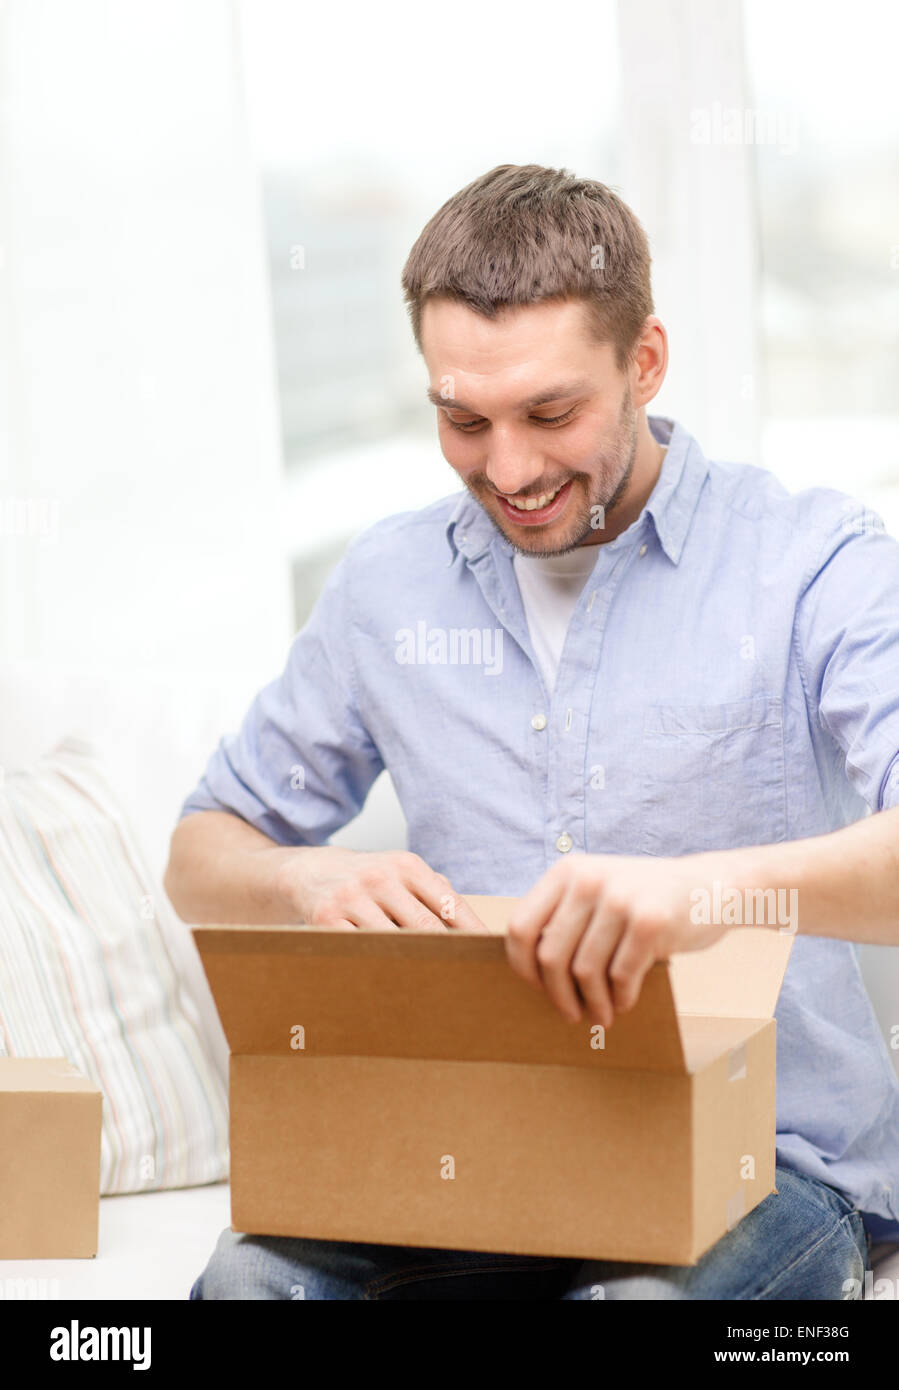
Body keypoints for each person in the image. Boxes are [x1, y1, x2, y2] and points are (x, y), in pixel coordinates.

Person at [165, 164, 899, 1300]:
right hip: (480, 1149)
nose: (506, 471)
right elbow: (201, 853)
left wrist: (696, 894)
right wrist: (307, 884)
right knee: (244, 1287)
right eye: (463, 420)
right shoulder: (388, 585)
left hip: (768, 1162)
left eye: (550, 414)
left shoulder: (811, 561)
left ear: (643, 362)